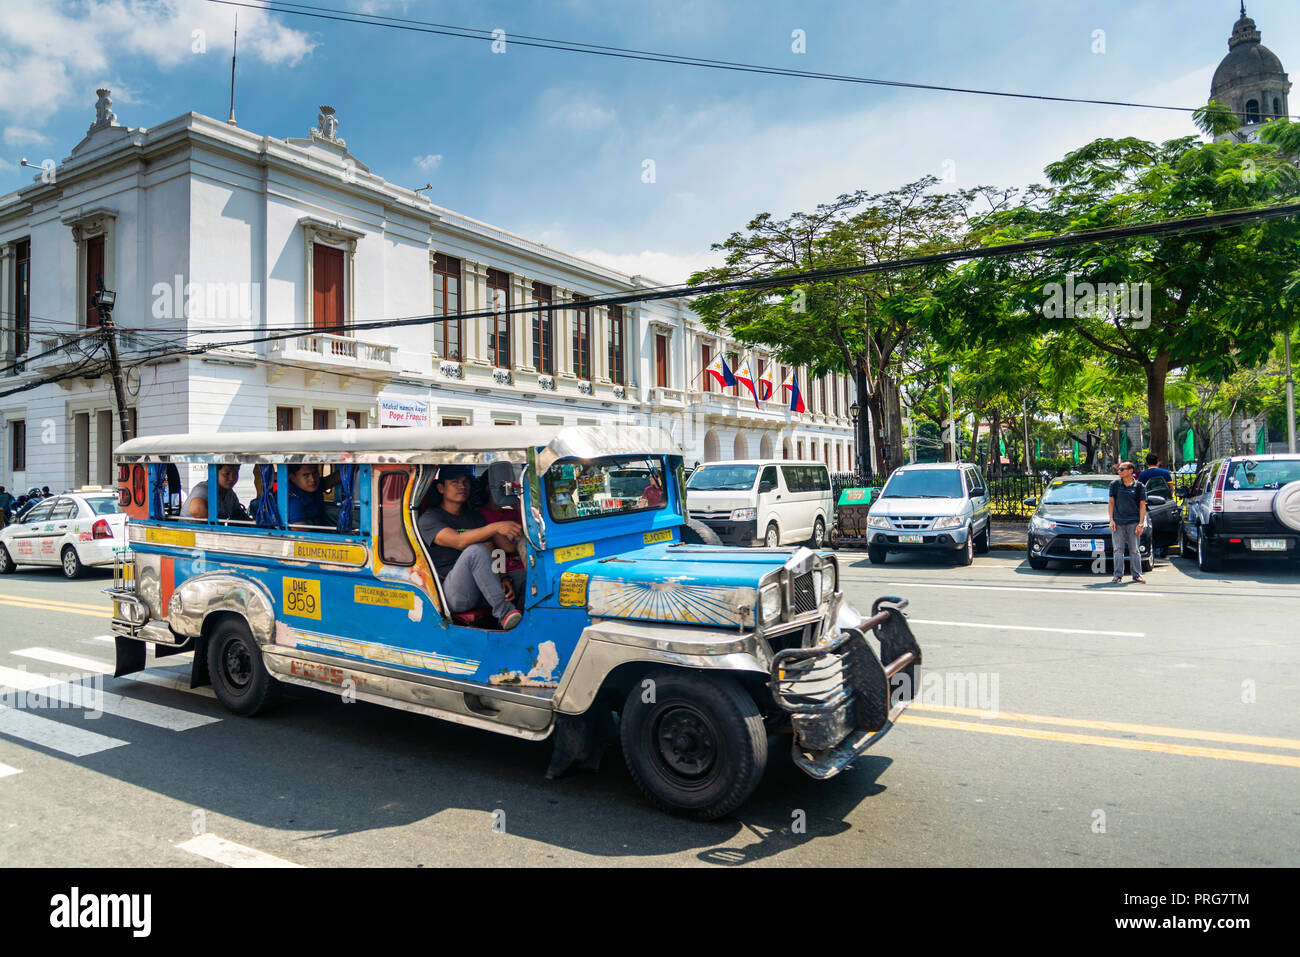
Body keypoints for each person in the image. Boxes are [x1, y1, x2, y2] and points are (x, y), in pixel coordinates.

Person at [418, 464, 526, 630]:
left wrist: (503, 577)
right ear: (441, 488)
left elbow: (495, 549)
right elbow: (458, 541)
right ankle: (504, 613)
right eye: (455, 482)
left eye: (465, 482)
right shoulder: (430, 519)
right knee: (476, 550)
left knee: (520, 575)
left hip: (482, 588)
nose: (462, 486)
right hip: (453, 594)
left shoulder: (475, 517)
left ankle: (520, 621)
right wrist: (494, 527)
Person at [1109, 461, 1147, 583]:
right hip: (1118, 521)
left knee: (1134, 549)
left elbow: (1142, 505)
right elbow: (1111, 502)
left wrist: (1141, 524)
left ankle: (1136, 574)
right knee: (1118, 549)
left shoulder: (1139, 486)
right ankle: (1118, 575)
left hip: (1133, 522)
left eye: (1122, 469)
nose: (1119, 471)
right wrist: (1111, 520)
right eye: (1119, 469)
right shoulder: (1115, 484)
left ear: (1130, 471)